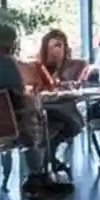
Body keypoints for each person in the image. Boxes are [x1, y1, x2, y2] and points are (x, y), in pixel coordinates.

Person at [0, 24, 73, 200]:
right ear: (12, 44)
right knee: (41, 120)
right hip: (5, 130)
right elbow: (19, 98)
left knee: (38, 121)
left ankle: (40, 174)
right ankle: (37, 177)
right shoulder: (7, 65)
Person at [35, 29, 88, 172]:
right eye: (51, 47)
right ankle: (47, 161)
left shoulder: (75, 66)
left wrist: (61, 80)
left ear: (65, 47)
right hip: (42, 108)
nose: (55, 50)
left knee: (58, 124)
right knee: (44, 123)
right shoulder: (38, 67)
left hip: (65, 108)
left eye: (59, 45)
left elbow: (76, 86)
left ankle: (46, 161)